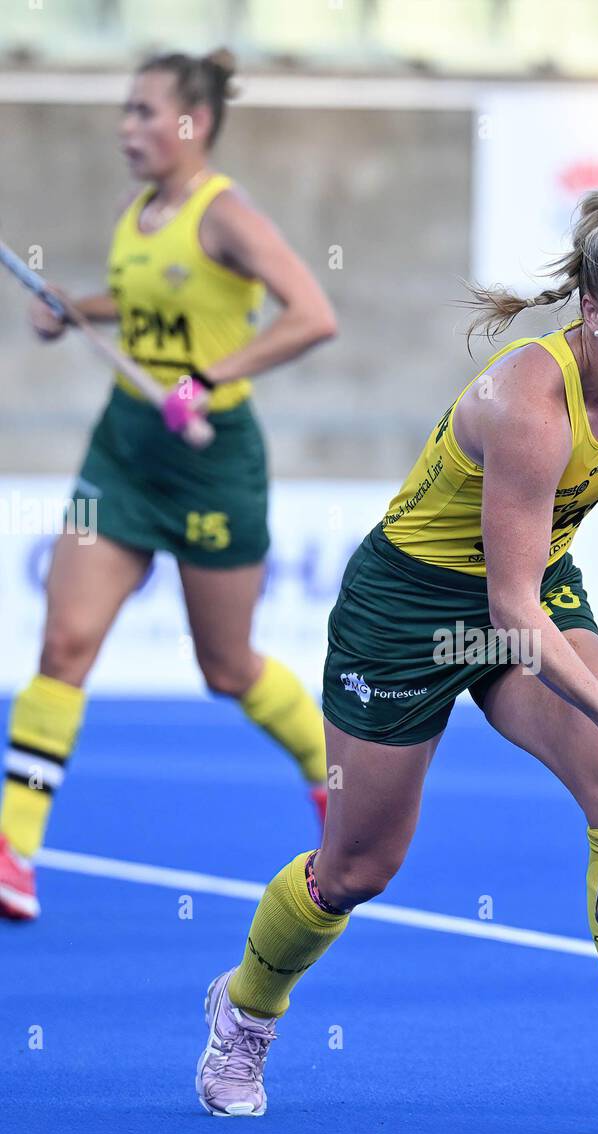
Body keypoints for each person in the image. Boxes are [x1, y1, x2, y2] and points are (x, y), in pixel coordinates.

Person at [196, 189, 598, 1122]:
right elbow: (509, 611)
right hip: (410, 610)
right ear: (592, 312)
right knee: (358, 868)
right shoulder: (530, 403)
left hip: (527, 584)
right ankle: (245, 1007)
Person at [0, 50, 338, 921]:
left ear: (195, 123)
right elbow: (137, 298)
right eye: (126, 111)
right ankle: (15, 848)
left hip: (213, 461)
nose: (128, 128)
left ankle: (328, 778)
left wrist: (207, 379)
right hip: (123, 450)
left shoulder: (227, 216)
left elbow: (312, 316)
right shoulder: (134, 213)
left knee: (227, 669)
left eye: (146, 112)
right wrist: (73, 308)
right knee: (65, 646)